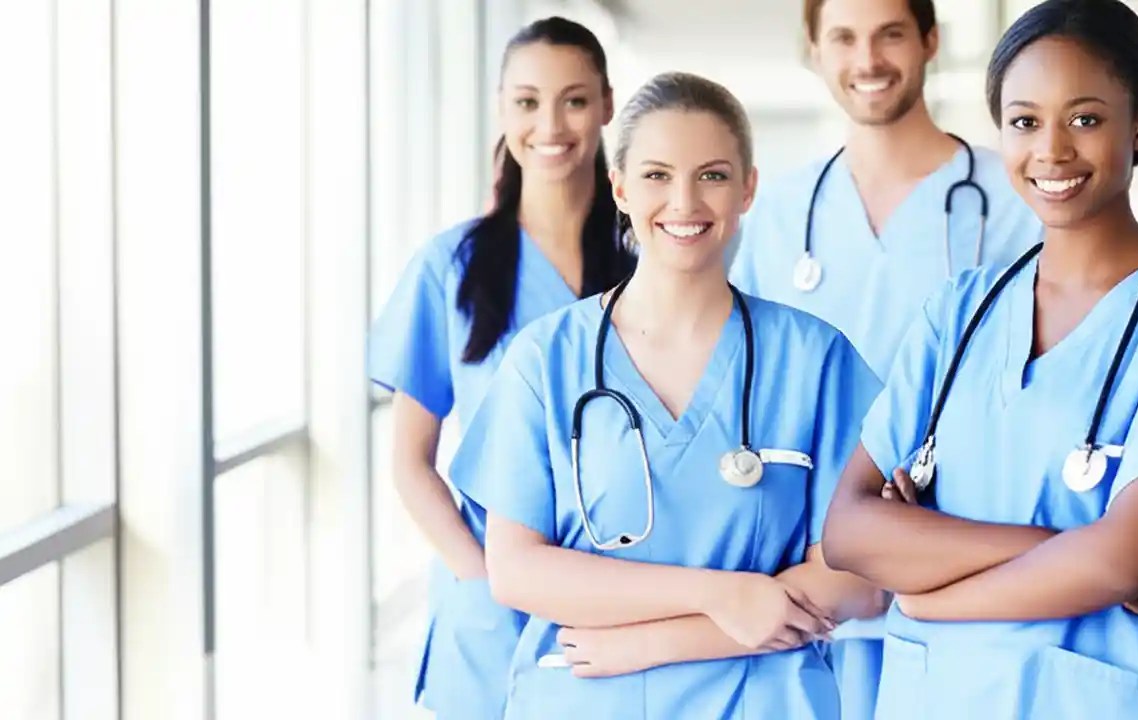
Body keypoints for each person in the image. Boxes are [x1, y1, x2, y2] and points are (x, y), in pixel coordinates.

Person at [821, 2, 1138, 717]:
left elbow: (1125, 563)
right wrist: (1074, 548)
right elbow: (846, 530)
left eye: (1085, 119)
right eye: (1025, 122)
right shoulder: (958, 315)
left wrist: (930, 591)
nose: (1051, 150)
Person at [449, 71, 886, 719]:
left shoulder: (814, 358)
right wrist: (727, 594)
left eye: (711, 175)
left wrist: (661, 640)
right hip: (583, 699)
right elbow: (517, 571)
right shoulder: (548, 359)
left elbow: (862, 580)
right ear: (620, 188)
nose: (684, 202)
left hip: (766, 701)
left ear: (748, 189)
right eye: (656, 175)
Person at [730, 2, 1042, 714]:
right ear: (813, 49)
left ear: (930, 40)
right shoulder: (778, 213)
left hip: (957, 560)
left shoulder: (1013, 196)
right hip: (809, 571)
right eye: (843, 37)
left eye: (890, 34)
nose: (867, 59)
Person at [366, 16, 635, 719]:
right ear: (502, 110)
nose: (550, 124)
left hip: (619, 596)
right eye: (526, 101)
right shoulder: (449, 269)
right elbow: (410, 460)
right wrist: (478, 576)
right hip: (490, 602)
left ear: (607, 104)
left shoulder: (650, 266)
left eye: (574, 100)